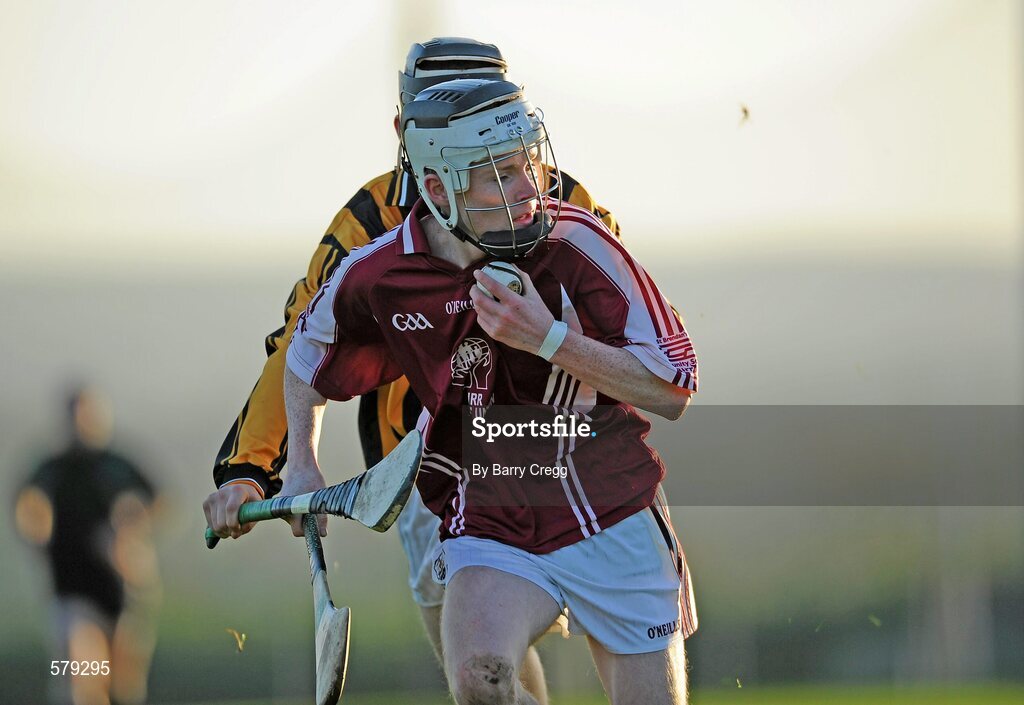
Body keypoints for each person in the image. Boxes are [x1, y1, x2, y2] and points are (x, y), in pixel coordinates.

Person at [204, 37, 619, 702]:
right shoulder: (369, 224)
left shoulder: (558, 199)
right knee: (483, 678)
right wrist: (251, 468)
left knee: (502, 665)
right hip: (426, 471)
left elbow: (629, 322)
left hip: (554, 450)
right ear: (406, 130)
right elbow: (300, 343)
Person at [276, 79, 699, 704]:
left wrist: (549, 339)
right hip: (490, 512)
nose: (532, 187)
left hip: (610, 505)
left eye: (527, 161)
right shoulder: (382, 273)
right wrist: (301, 465)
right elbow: (306, 354)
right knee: (480, 679)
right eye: (503, 173)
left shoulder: (578, 244)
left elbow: (672, 388)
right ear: (441, 188)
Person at [15, 385, 161, 705]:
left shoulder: (118, 464)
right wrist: (34, 523)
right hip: (73, 588)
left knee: (124, 685)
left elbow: (161, 502)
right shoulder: (52, 468)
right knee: (81, 675)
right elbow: (28, 505)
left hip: (125, 586)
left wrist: (132, 527)